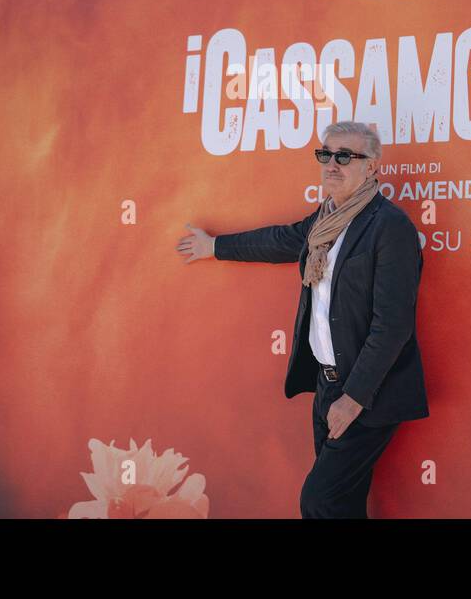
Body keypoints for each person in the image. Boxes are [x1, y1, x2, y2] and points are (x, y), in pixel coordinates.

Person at [176, 120, 428, 518]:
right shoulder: (323, 223)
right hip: (327, 386)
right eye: (325, 154)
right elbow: (277, 241)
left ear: (372, 167)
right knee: (342, 503)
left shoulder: (389, 226)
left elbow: (392, 325)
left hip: (367, 392)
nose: (332, 164)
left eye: (345, 156)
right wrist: (214, 246)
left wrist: (354, 399)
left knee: (320, 500)